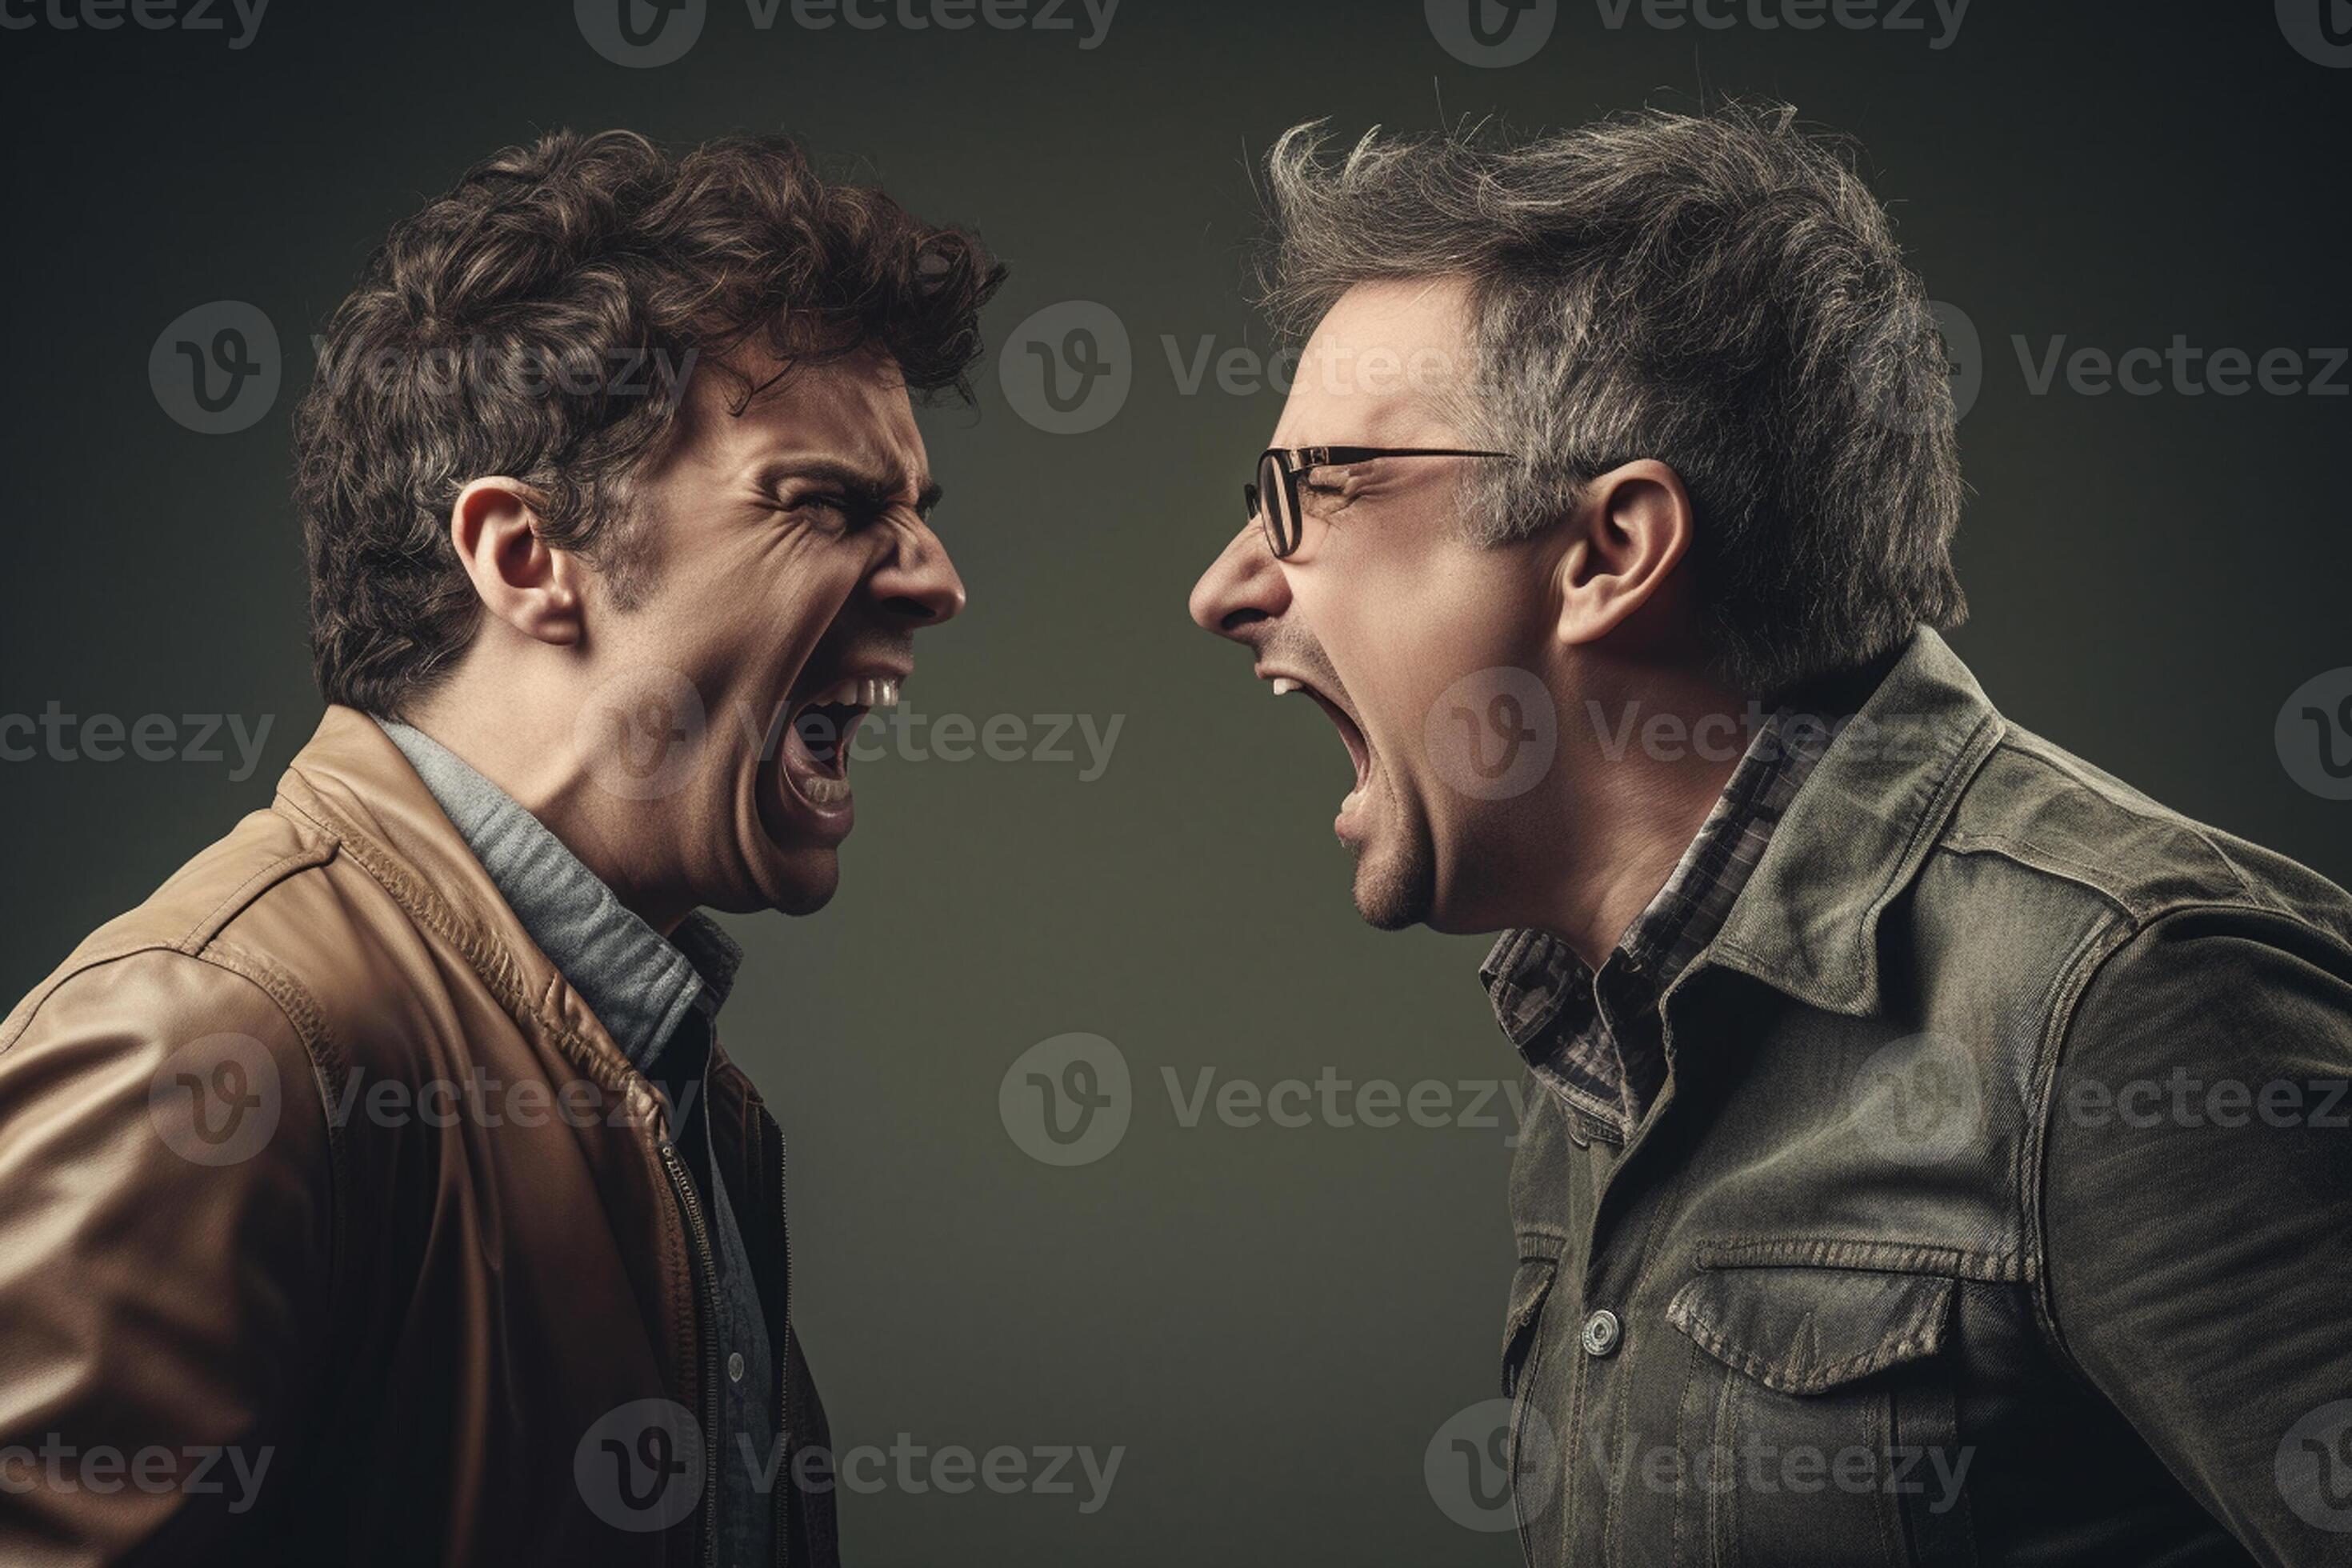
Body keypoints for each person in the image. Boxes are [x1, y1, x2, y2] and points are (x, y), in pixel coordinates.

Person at [1188, 106, 2352, 1565]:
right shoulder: (1606, 1041)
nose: (1227, 586)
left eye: (1315, 494)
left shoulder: (2129, 1008)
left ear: (1612, 550)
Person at [0, 127, 1001, 1565]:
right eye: (829, 504)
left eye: (914, 511)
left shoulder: (675, 1092)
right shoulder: (215, 1042)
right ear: (527, 558)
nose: (937, 581)